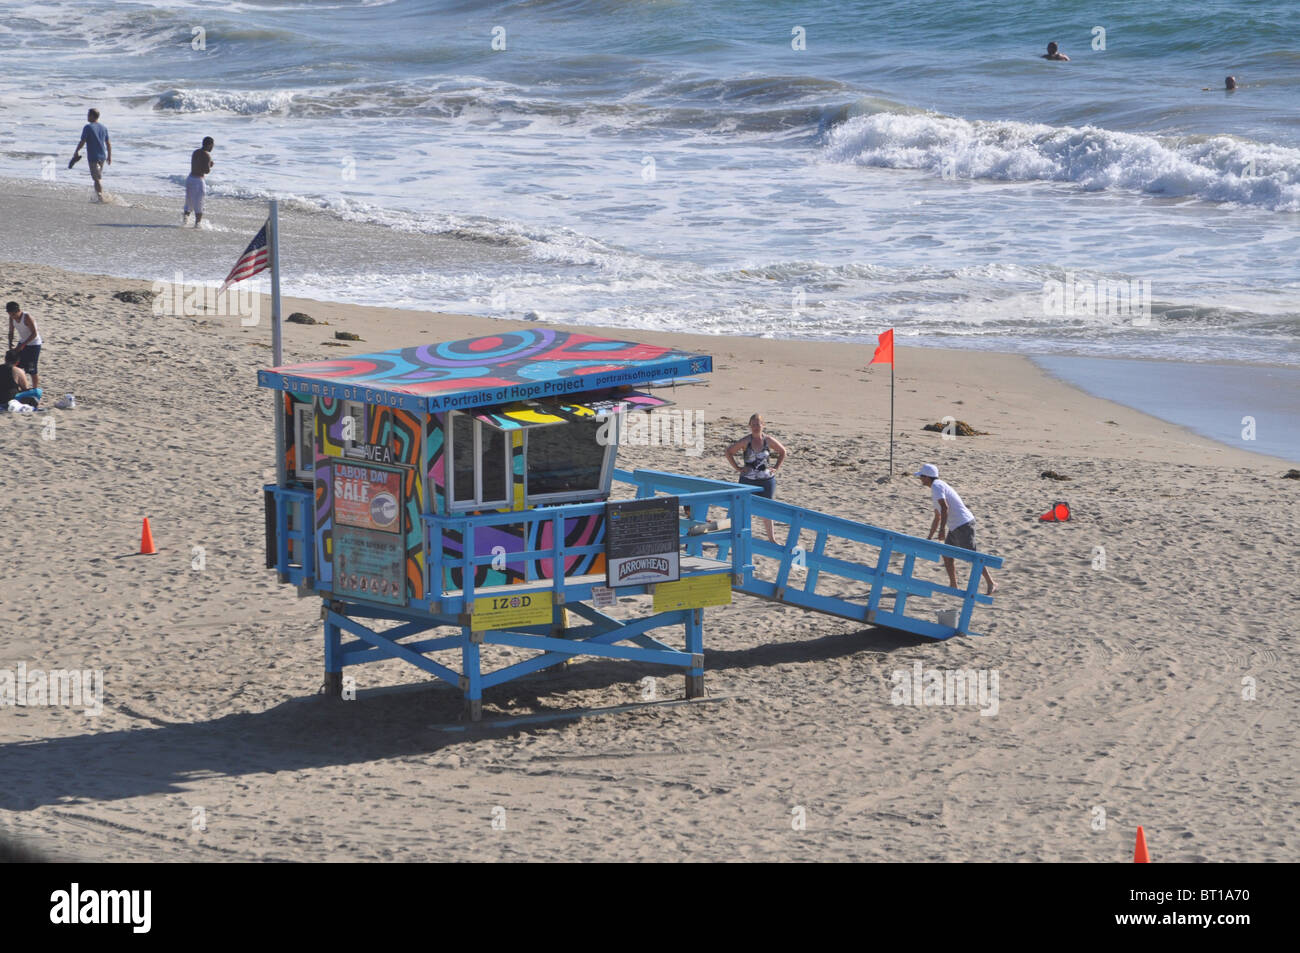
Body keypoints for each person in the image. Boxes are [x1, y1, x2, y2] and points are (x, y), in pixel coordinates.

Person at [915, 463, 996, 596]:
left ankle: (991, 582)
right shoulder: (935, 488)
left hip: (964, 524)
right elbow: (937, 516)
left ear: (928, 477)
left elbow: (945, 508)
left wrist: (942, 530)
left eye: (921, 477)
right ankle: (953, 585)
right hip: (955, 526)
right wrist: (930, 536)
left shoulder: (937, 486)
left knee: (973, 556)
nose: (920, 479)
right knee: (946, 554)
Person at [726, 414, 787, 543]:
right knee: (743, 509)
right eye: (753, 424)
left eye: (758, 424)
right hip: (748, 480)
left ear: (762, 425)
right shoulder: (745, 441)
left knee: (767, 510)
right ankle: (740, 537)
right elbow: (729, 452)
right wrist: (737, 468)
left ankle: (772, 539)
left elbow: (783, 452)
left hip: (766, 480)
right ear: (750, 426)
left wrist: (776, 467)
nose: (755, 427)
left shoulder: (768, 440)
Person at [70, 108, 111, 200]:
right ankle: (97, 195)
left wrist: (76, 151)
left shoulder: (88, 127)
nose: (87, 117)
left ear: (92, 116)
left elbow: (82, 141)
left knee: (96, 178)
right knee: (97, 177)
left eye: (88, 115)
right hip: (102, 156)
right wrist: (109, 156)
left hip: (93, 156)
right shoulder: (103, 128)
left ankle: (100, 197)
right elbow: (108, 143)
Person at [6, 302, 41, 390]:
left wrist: (22, 346)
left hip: (34, 344)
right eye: (10, 314)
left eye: (14, 314)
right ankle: (18, 387)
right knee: (15, 365)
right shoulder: (11, 317)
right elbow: (11, 332)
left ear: (19, 311)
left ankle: (35, 389)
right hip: (22, 342)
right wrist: (10, 343)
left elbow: (34, 334)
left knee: (32, 369)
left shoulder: (27, 317)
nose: (13, 316)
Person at [183, 137, 215, 226]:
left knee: (188, 202)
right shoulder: (207, 155)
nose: (212, 148)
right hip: (198, 180)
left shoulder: (195, 152)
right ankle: (197, 224)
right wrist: (210, 165)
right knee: (199, 204)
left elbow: (196, 165)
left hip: (190, 178)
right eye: (212, 145)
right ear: (209, 145)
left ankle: (185, 222)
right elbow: (206, 171)